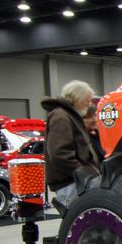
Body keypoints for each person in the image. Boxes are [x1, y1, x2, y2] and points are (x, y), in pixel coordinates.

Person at [41, 80, 101, 209]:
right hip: (71, 183)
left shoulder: (68, 115)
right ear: (77, 98)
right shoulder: (61, 116)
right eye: (87, 100)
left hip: (75, 181)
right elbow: (59, 153)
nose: (88, 103)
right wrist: (82, 172)